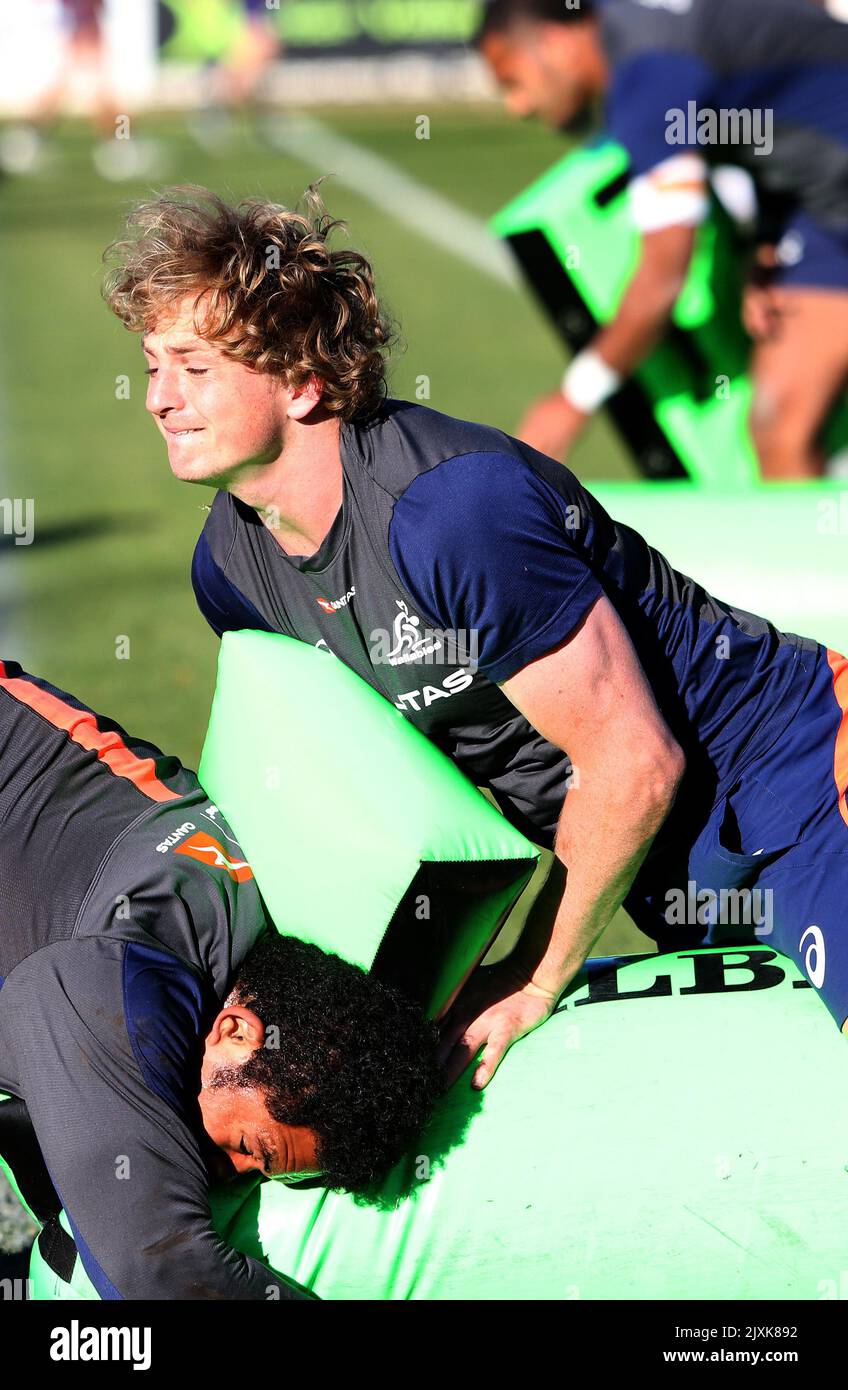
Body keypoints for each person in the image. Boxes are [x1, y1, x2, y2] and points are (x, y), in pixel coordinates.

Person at [103, 185, 848, 1098]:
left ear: (300, 380)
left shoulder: (449, 513)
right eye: (152, 367)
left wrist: (534, 975)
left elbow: (634, 764)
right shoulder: (229, 566)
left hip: (801, 783)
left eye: (194, 368)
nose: (159, 401)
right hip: (669, 870)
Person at [0, 657, 442, 1299]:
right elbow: (162, 1273)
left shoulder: (243, 928)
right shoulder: (115, 986)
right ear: (237, 1030)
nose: (234, 1174)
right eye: (251, 1150)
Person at [474, 0, 848, 481]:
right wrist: (768, 238)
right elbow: (778, 107)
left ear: (555, 44)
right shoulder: (637, 31)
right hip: (819, 205)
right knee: (779, 425)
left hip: (832, 202)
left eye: (513, 81)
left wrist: (574, 399)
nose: (516, 106)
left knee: (783, 426)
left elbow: (665, 274)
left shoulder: (646, 76)